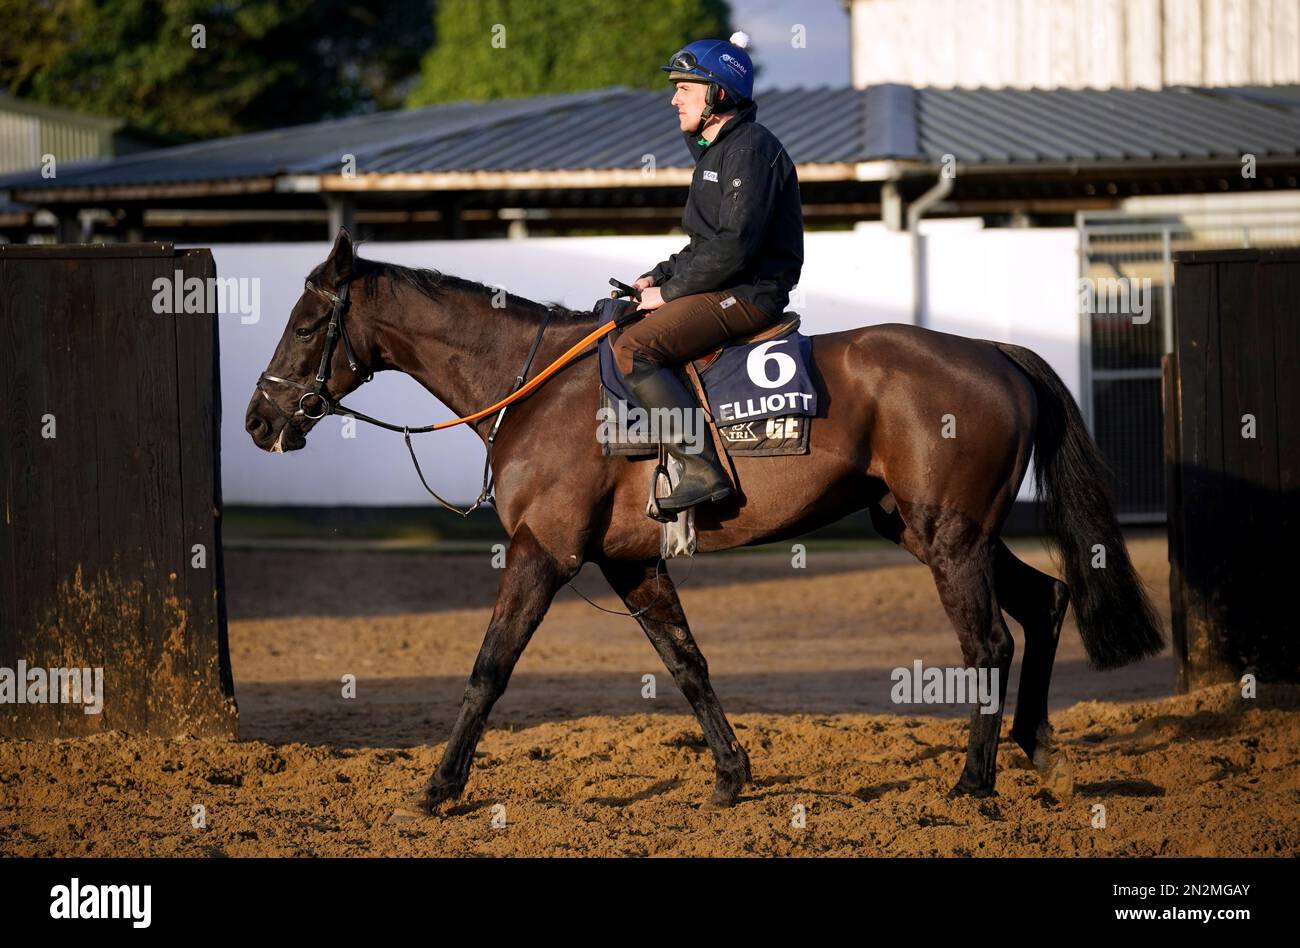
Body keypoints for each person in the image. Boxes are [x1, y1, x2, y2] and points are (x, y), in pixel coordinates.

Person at [615, 31, 804, 516]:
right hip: (727, 285)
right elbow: (706, 243)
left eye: (686, 88)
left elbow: (735, 245)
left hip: (749, 293)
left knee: (635, 350)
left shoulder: (748, 150)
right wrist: (657, 277)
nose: (674, 98)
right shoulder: (717, 150)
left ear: (718, 95)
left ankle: (701, 470)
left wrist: (670, 292)